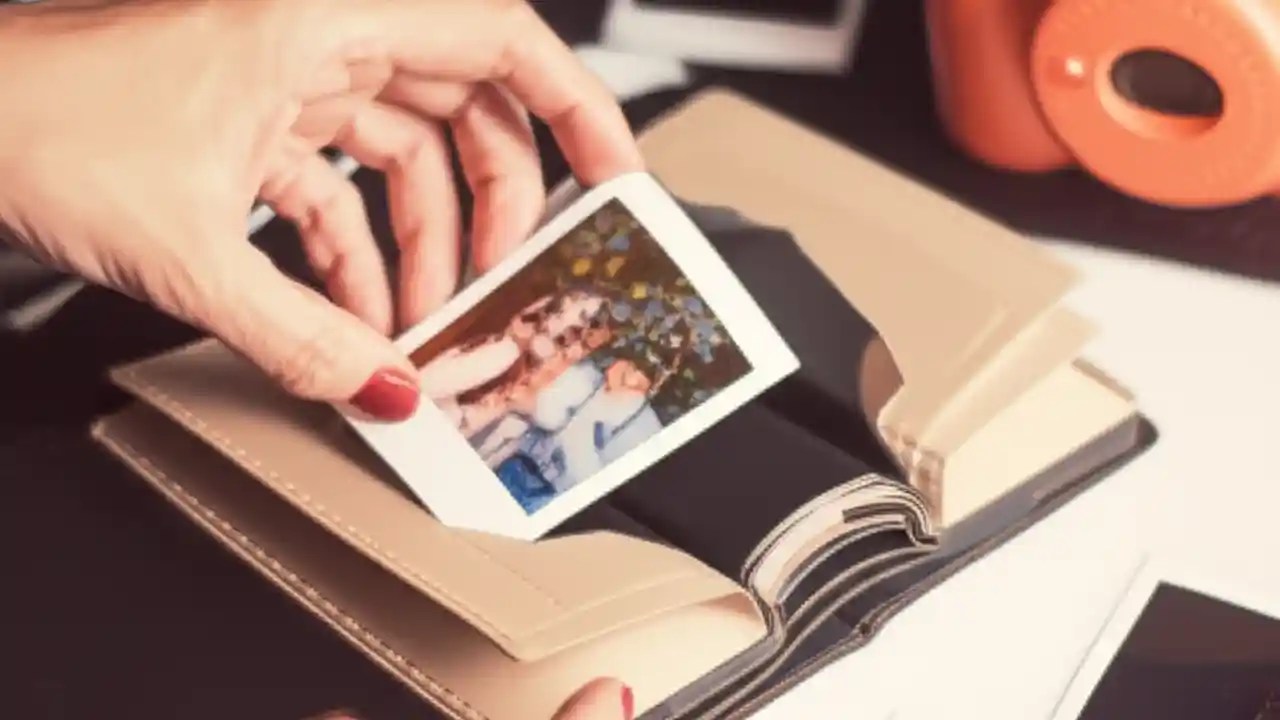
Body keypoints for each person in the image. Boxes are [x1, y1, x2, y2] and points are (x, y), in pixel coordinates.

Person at [0, 0, 644, 718]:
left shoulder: (569, 398)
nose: (555, 334)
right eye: (556, 318)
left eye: (571, 335)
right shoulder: (491, 356)